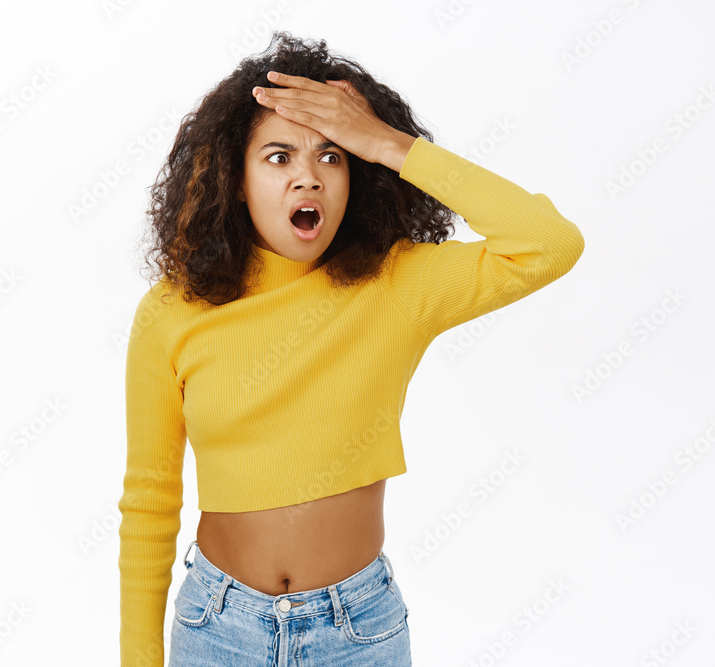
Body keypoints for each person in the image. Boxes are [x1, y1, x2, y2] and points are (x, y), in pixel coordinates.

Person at [118, 31, 585, 666]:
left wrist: (388, 143)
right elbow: (149, 499)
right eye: (278, 157)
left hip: (356, 633)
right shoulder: (171, 313)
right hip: (216, 628)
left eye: (331, 157)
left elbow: (549, 244)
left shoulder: (395, 285)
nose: (307, 177)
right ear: (236, 181)